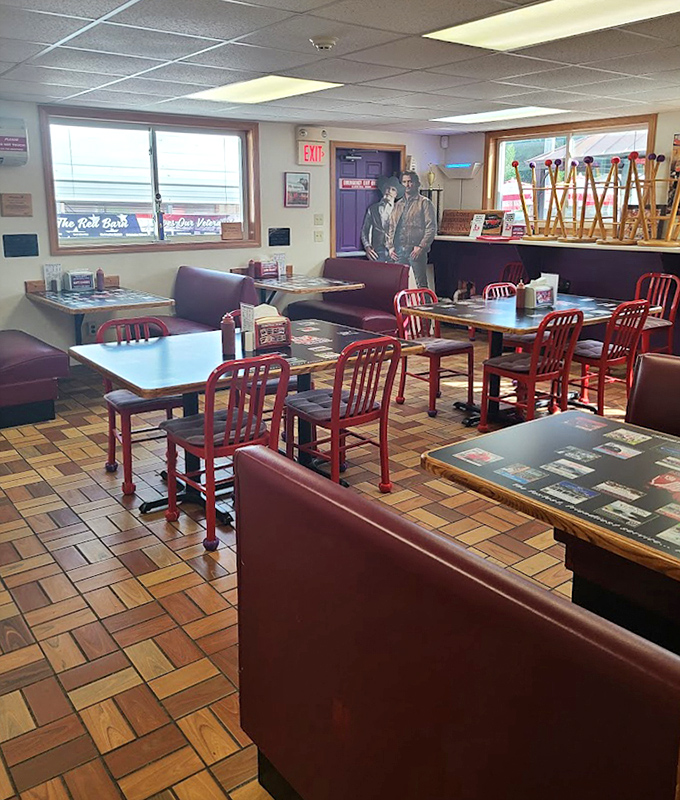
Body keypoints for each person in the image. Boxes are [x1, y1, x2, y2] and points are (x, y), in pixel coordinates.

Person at [386, 170, 437, 289]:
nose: (407, 185)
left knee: (421, 285)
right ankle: (403, 307)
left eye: (410, 182)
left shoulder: (424, 203)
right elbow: (391, 227)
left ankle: (426, 307)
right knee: (399, 284)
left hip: (415, 250)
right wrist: (390, 247)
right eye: (404, 182)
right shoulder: (398, 204)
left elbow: (431, 227)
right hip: (398, 251)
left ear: (416, 183)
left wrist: (421, 246)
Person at [361, 176, 404, 262]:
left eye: (393, 189)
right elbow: (365, 231)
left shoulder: (401, 210)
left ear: (396, 194)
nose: (389, 191)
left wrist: (395, 247)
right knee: (376, 274)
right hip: (377, 252)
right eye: (387, 188)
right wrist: (367, 247)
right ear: (383, 190)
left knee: (394, 275)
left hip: (395, 253)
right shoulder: (373, 209)